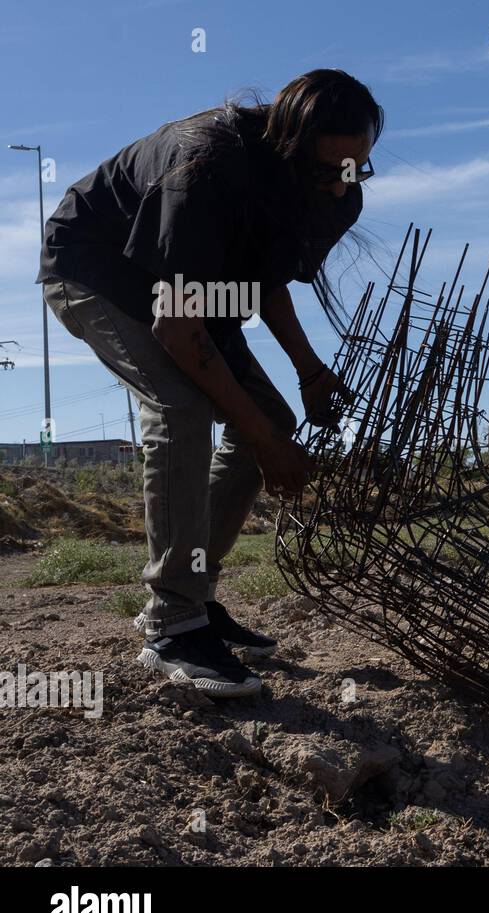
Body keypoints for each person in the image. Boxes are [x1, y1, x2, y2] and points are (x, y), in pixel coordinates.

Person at [36, 69, 382, 698]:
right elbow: (176, 326)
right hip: (99, 270)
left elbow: (263, 281)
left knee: (270, 422)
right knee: (181, 408)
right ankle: (172, 620)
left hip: (197, 292)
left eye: (357, 167)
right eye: (330, 167)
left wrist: (308, 370)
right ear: (289, 143)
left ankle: (199, 592)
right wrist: (266, 444)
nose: (342, 184)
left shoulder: (337, 190)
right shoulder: (207, 164)